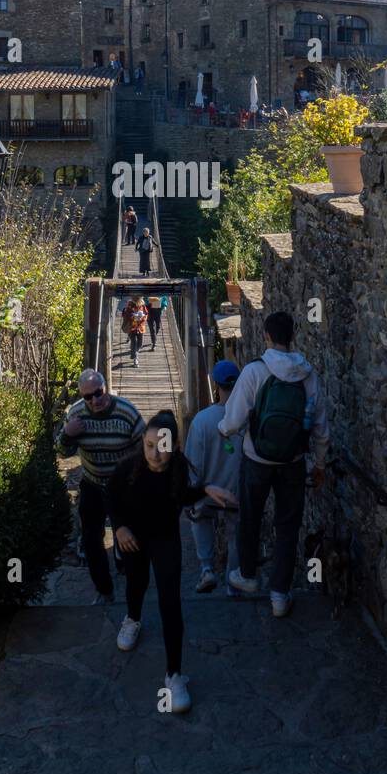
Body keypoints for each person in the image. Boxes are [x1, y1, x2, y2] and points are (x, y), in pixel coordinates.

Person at [107, 410, 236, 714]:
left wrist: (204, 490)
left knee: (170, 603)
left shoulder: (178, 469)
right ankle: (133, 618)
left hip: (165, 540)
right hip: (133, 539)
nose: (155, 453)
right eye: (149, 445)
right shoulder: (129, 468)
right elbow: (110, 497)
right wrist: (120, 527)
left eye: (162, 445)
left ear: (175, 446)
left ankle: (174, 675)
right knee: (136, 585)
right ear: (143, 441)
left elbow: (183, 495)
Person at [218, 311, 329, 618]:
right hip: (293, 461)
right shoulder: (308, 375)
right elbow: (320, 425)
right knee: (288, 524)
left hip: (257, 460)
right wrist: (319, 463)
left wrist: (224, 430)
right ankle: (280, 594)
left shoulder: (255, 371)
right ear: (293, 336)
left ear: (266, 336)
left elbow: (234, 417)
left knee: (250, 516)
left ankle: (248, 575)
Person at [55, 370, 146, 605]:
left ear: (105, 387)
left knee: (128, 536)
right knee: (91, 539)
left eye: (98, 393)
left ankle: (128, 574)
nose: (95, 400)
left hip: (122, 488)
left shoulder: (126, 412)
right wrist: (67, 434)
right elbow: (63, 452)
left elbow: (145, 448)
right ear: (81, 396)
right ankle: (104, 588)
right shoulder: (76, 415)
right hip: (93, 484)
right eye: (88, 396)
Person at [184, 360, 244, 594]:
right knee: (235, 535)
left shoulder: (202, 420)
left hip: (207, 491)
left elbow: (193, 461)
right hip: (234, 493)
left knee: (198, 519)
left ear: (216, 385)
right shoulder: (246, 418)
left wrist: (191, 493)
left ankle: (207, 568)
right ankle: (233, 582)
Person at [122, 294, 148, 367]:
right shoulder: (129, 304)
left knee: (140, 344)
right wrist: (133, 316)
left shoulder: (142, 305)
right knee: (134, 342)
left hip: (140, 327)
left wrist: (143, 317)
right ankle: (135, 359)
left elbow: (146, 313)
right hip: (132, 327)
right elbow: (125, 314)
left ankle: (133, 353)